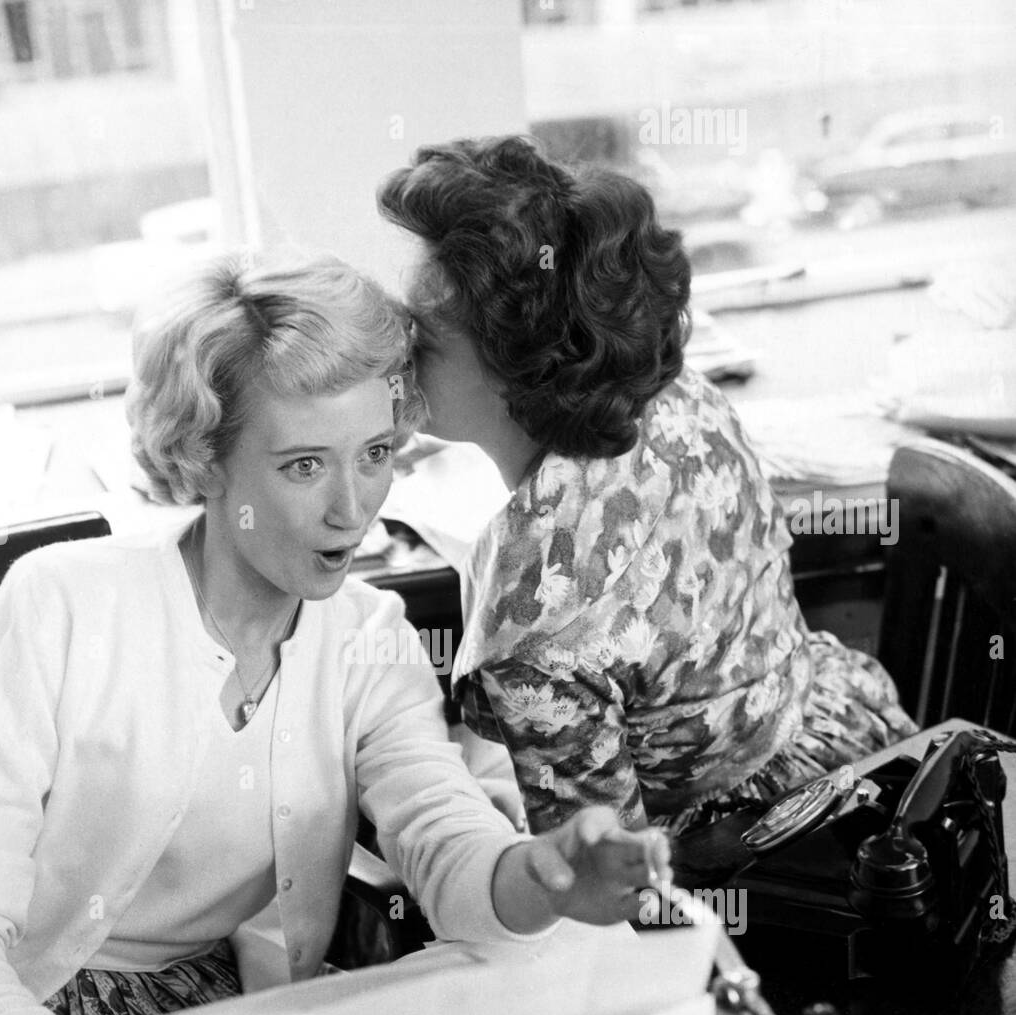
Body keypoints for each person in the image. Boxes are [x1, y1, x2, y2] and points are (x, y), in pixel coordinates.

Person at [0, 251, 668, 1015]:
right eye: (305, 465)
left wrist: (541, 877)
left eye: (376, 455)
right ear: (204, 456)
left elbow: (443, 836)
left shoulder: (369, 634)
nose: (352, 510)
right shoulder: (58, 605)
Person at [377, 135, 917, 837]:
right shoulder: (670, 393)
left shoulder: (534, 637)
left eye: (419, 336)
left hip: (761, 848)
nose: (396, 353)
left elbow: (609, 886)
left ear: (513, 368)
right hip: (846, 733)